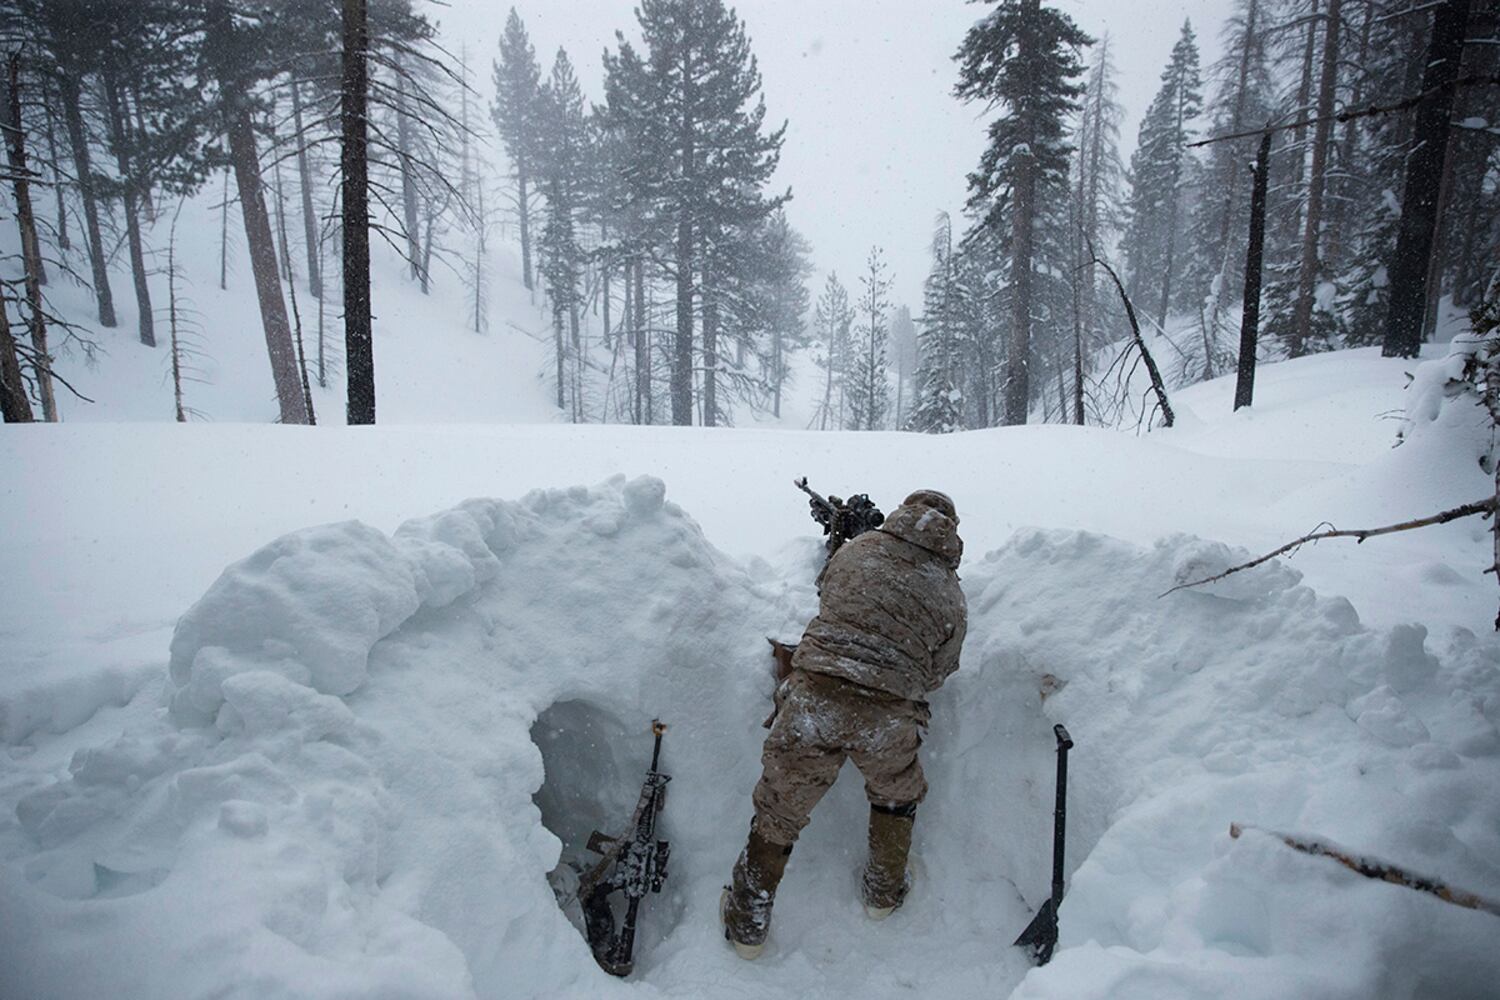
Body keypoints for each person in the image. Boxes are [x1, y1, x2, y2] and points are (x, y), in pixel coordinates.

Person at [721, 489, 968, 959]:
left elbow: (827, 591)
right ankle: (882, 894)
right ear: (951, 533)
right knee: (896, 795)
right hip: (889, 716)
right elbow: (940, 671)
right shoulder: (950, 594)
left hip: (816, 697)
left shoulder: (859, 550)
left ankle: (746, 924)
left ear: (903, 513)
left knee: (780, 807)